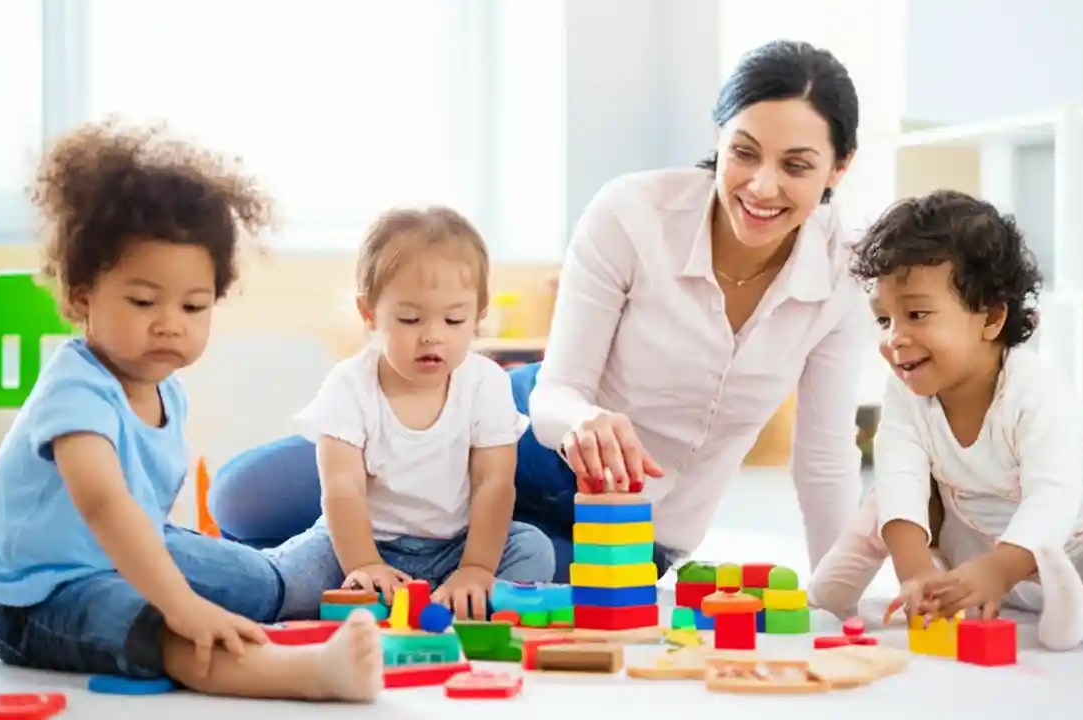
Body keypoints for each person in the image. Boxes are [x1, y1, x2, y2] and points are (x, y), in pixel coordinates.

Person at [209, 38, 872, 583]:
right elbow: (558, 389)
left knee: (507, 587)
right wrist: (586, 421)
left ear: (838, 168)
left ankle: (369, 560)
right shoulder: (634, 212)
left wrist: (834, 602)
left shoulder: (844, 273)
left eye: (796, 165)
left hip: (630, 524)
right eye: (744, 152)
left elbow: (823, 457)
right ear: (720, 138)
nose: (761, 185)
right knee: (242, 499)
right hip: (523, 437)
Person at [0, 120, 384, 703]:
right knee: (165, 624)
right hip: (43, 594)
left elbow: (146, 517)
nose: (170, 322)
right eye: (143, 301)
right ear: (83, 293)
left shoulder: (166, 387)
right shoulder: (76, 391)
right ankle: (307, 675)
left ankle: (352, 553)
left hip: (128, 551)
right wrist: (183, 601)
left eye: (193, 306)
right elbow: (104, 503)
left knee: (251, 580)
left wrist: (197, 579)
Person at [806, 190, 1083, 650]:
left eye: (917, 315)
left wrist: (1001, 570)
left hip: (1079, 551)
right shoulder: (907, 389)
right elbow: (899, 479)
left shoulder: (1033, 391)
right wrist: (916, 573)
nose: (895, 339)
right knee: (895, 495)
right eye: (884, 321)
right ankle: (832, 594)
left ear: (992, 318)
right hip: (977, 548)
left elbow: (1053, 496)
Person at [263, 207, 556, 621]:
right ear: (370, 314)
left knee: (533, 549)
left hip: (456, 546)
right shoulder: (349, 384)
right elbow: (343, 488)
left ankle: (449, 599)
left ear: (478, 318)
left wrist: (476, 568)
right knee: (286, 581)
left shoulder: (486, 382)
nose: (433, 334)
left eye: (454, 319)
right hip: (361, 540)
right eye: (410, 319)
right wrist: (363, 564)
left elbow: (494, 483)